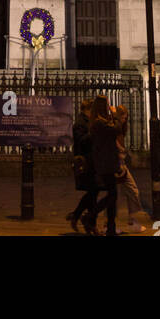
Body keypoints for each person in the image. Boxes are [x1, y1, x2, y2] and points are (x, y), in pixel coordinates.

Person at [112, 103, 151, 233]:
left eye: (126, 118)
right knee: (118, 194)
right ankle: (112, 223)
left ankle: (130, 220)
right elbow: (113, 140)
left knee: (129, 191)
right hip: (116, 164)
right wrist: (121, 149)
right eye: (123, 118)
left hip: (120, 163)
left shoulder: (120, 128)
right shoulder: (114, 126)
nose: (125, 121)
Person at [88, 95, 121, 235]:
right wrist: (115, 115)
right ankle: (91, 215)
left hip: (106, 160)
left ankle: (111, 227)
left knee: (112, 195)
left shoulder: (99, 122)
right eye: (107, 104)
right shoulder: (99, 123)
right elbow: (116, 130)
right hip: (105, 162)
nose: (109, 106)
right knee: (112, 194)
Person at [67, 99, 99, 234]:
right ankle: (88, 221)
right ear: (89, 110)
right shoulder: (80, 123)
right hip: (85, 162)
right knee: (93, 191)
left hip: (92, 162)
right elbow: (81, 141)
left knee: (94, 192)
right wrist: (93, 132)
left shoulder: (87, 122)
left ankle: (79, 216)